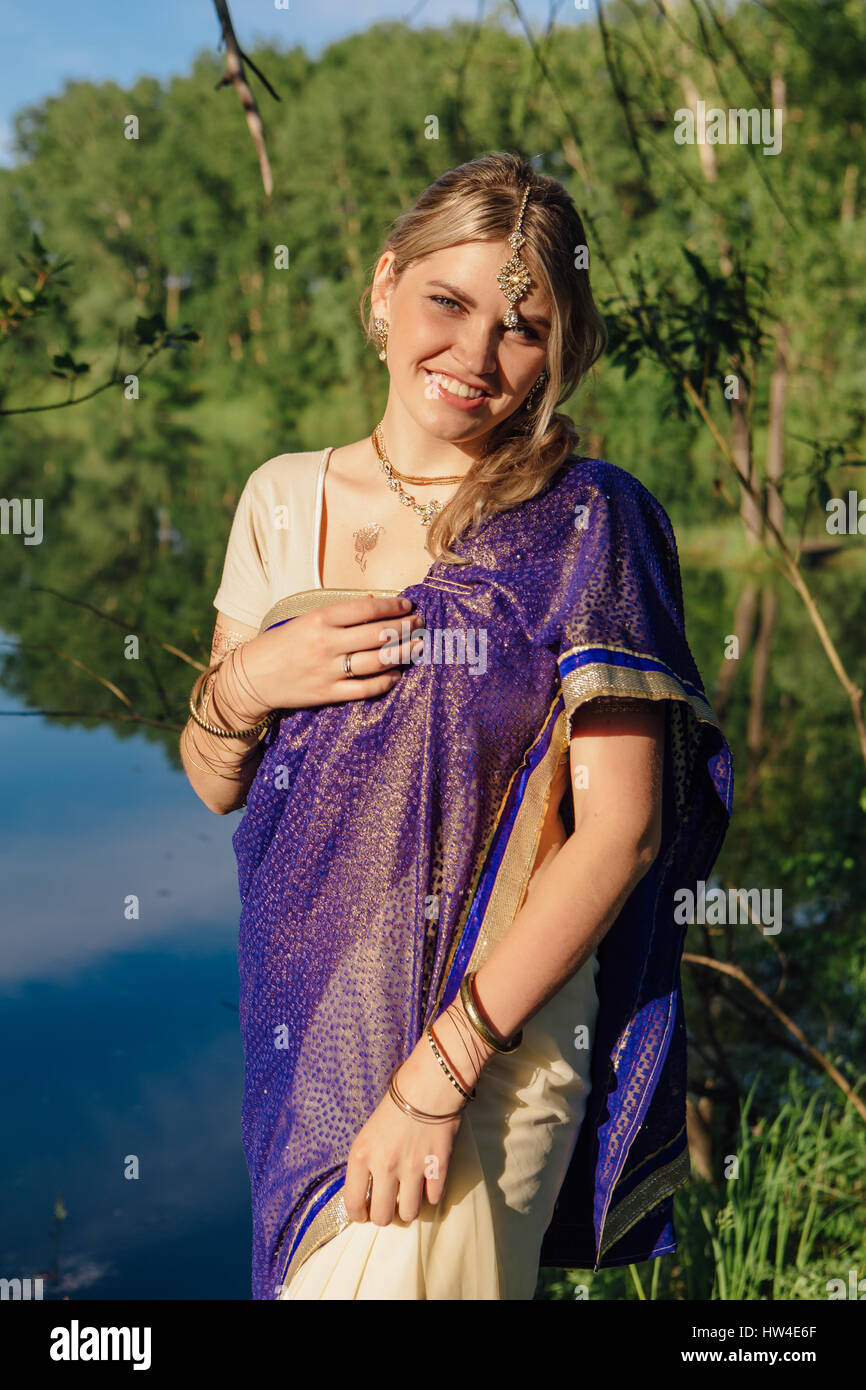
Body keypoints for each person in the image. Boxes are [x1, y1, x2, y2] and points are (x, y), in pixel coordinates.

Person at [180, 152, 734, 1301]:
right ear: (385, 289)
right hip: (308, 1024)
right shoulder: (281, 497)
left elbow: (619, 834)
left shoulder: (584, 520)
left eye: (521, 327)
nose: (475, 356)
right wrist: (245, 686)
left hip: (494, 1036)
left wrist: (439, 1071)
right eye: (449, 303)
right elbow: (212, 780)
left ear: (557, 349)